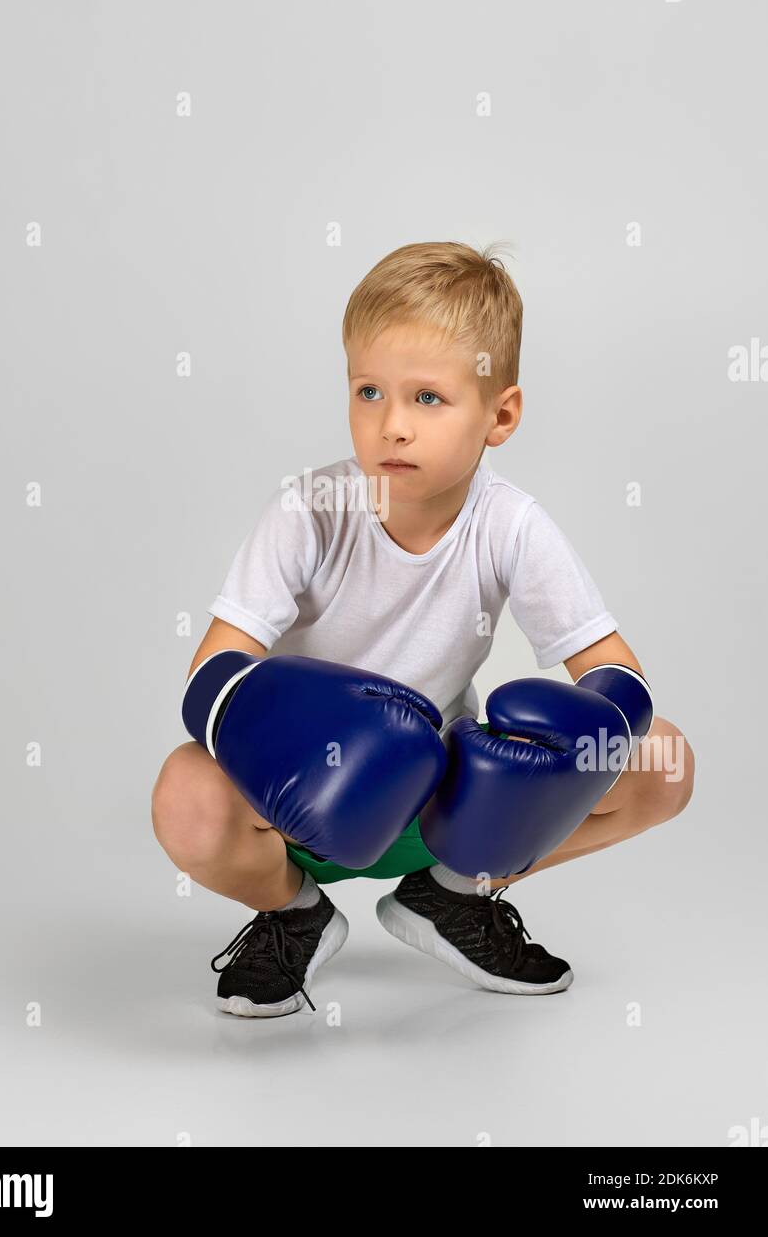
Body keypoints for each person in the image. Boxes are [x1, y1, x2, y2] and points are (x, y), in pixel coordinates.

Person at [151, 241, 695, 1017]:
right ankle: (292, 914)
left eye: (428, 398)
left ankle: (452, 898)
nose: (392, 425)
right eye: (369, 391)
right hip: (295, 800)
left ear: (499, 414)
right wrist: (299, 745)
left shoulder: (510, 526)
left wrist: (570, 743)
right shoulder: (307, 511)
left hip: (450, 810)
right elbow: (211, 676)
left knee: (662, 762)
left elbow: (617, 673)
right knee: (183, 791)